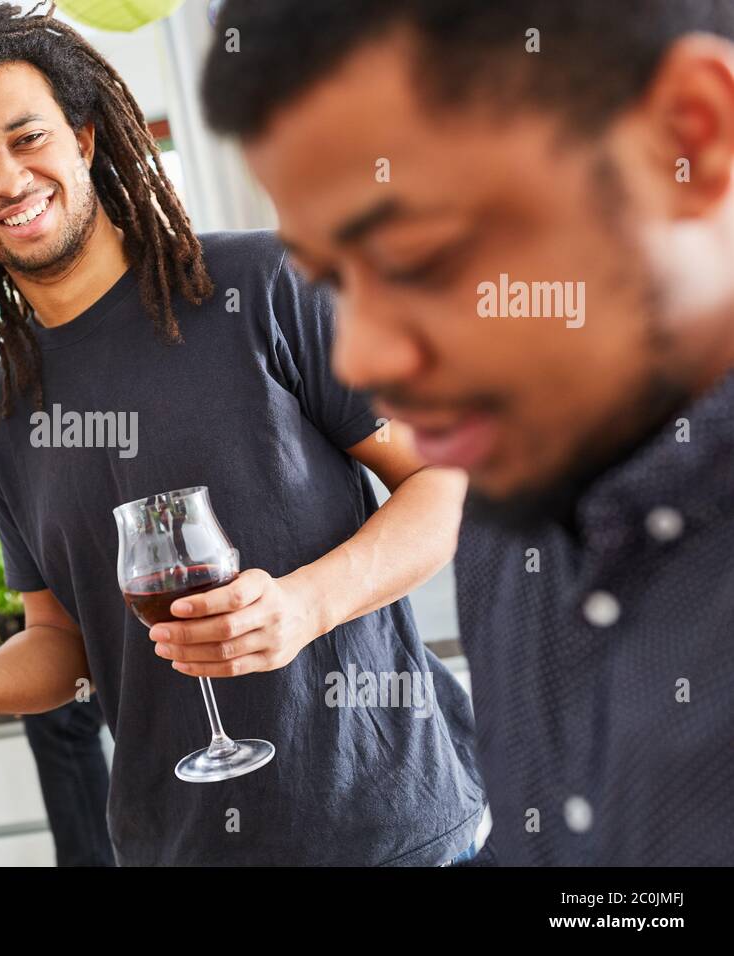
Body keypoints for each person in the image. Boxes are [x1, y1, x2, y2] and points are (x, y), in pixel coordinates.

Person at [0, 3, 485, 866]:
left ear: (83, 138)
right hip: (177, 845)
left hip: (385, 825)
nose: (8, 179)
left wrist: (305, 606)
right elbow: (62, 643)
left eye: (28, 139)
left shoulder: (264, 285)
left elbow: (440, 483)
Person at [202, 0, 734, 864]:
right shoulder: (511, 515)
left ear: (690, 137)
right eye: (333, 280)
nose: (366, 358)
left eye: (416, 256)